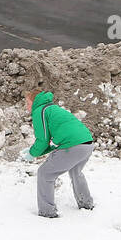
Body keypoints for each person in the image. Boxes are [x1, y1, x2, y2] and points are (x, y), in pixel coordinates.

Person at [23, 90, 95, 218]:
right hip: (87, 143)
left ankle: (47, 211)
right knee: (76, 172)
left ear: (35, 101)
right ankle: (86, 203)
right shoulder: (53, 109)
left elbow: (43, 139)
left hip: (72, 146)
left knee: (45, 173)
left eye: (28, 102)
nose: (27, 106)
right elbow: (56, 143)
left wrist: (32, 153)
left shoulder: (40, 111)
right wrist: (35, 152)